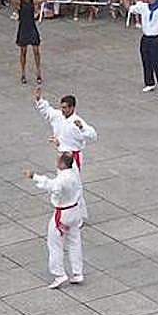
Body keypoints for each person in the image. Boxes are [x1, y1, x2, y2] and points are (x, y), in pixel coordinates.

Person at [25, 151, 86, 288]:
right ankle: (77, 272)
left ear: (62, 164)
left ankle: (59, 274)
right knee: (74, 241)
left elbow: (52, 187)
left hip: (63, 213)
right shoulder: (74, 173)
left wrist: (34, 176)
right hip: (75, 211)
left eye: (58, 160)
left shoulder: (61, 179)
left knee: (55, 243)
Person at [34, 86, 97, 171]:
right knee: (61, 177)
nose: (62, 110)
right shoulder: (58, 115)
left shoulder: (77, 122)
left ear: (72, 108)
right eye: (61, 107)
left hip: (73, 157)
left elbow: (93, 136)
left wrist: (82, 128)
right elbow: (47, 111)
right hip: (61, 155)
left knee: (72, 178)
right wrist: (39, 99)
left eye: (64, 107)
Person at [14, 0, 43, 85]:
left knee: (36, 51)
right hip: (23, 28)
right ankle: (23, 73)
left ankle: (38, 72)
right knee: (23, 52)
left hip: (32, 28)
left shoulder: (33, 3)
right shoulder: (20, 4)